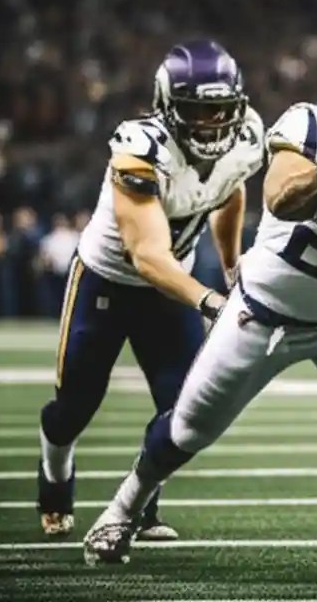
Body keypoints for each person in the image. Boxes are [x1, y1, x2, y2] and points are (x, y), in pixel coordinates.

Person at [82, 33, 317, 568]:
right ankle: (124, 507)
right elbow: (281, 196)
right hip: (263, 314)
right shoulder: (311, 126)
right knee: (186, 430)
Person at [36, 40, 265, 540]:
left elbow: (231, 188)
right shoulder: (140, 150)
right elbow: (148, 257)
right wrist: (209, 299)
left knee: (182, 408)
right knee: (74, 406)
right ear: (168, 106)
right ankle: (54, 479)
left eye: (221, 109)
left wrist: (230, 266)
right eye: (198, 110)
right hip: (108, 279)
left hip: (168, 287)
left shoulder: (246, 138)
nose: (211, 122)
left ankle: (139, 507)